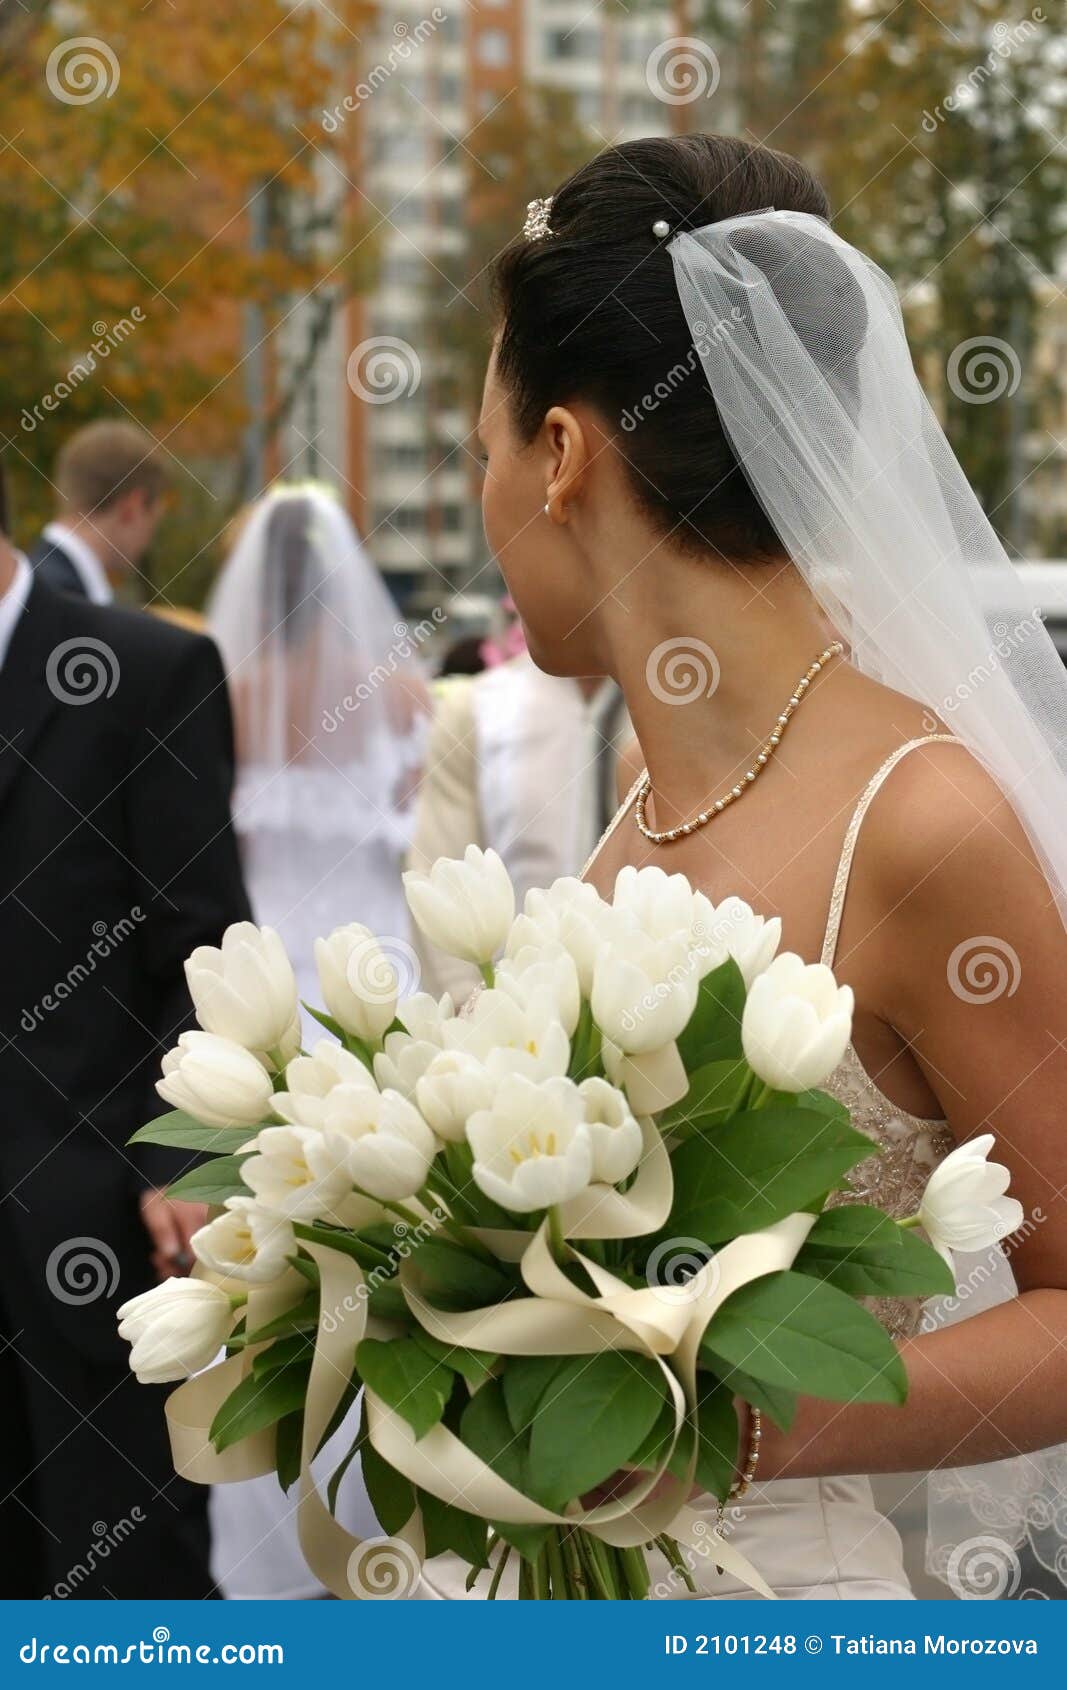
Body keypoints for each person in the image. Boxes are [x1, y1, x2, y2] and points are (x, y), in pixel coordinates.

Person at [418, 132, 1067, 1600]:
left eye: (480, 455)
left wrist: (728, 1423)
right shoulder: (639, 786)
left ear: (560, 455)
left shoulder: (920, 822)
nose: (482, 501)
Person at [0, 518, 252, 1597]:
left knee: (124, 1606)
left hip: (95, 1248)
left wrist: (182, 1161)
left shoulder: (144, 672)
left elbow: (204, 954)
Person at [205, 481, 430, 1597]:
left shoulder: (229, 694)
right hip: (375, 978)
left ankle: (266, 1538)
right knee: (384, 1240)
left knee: (264, 1255)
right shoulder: (400, 693)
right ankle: (383, 1509)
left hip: (262, 986)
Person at [409, 642, 629, 1005]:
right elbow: (440, 868)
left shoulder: (680, 702)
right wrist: (472, 1009)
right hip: (512, 1006)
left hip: (645, 1001)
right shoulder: (479, 709)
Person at [29, 420, 170, 601]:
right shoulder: (63, 599)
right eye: (154, 519)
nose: (147, 541)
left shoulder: (35, 582)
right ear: (132, 508)